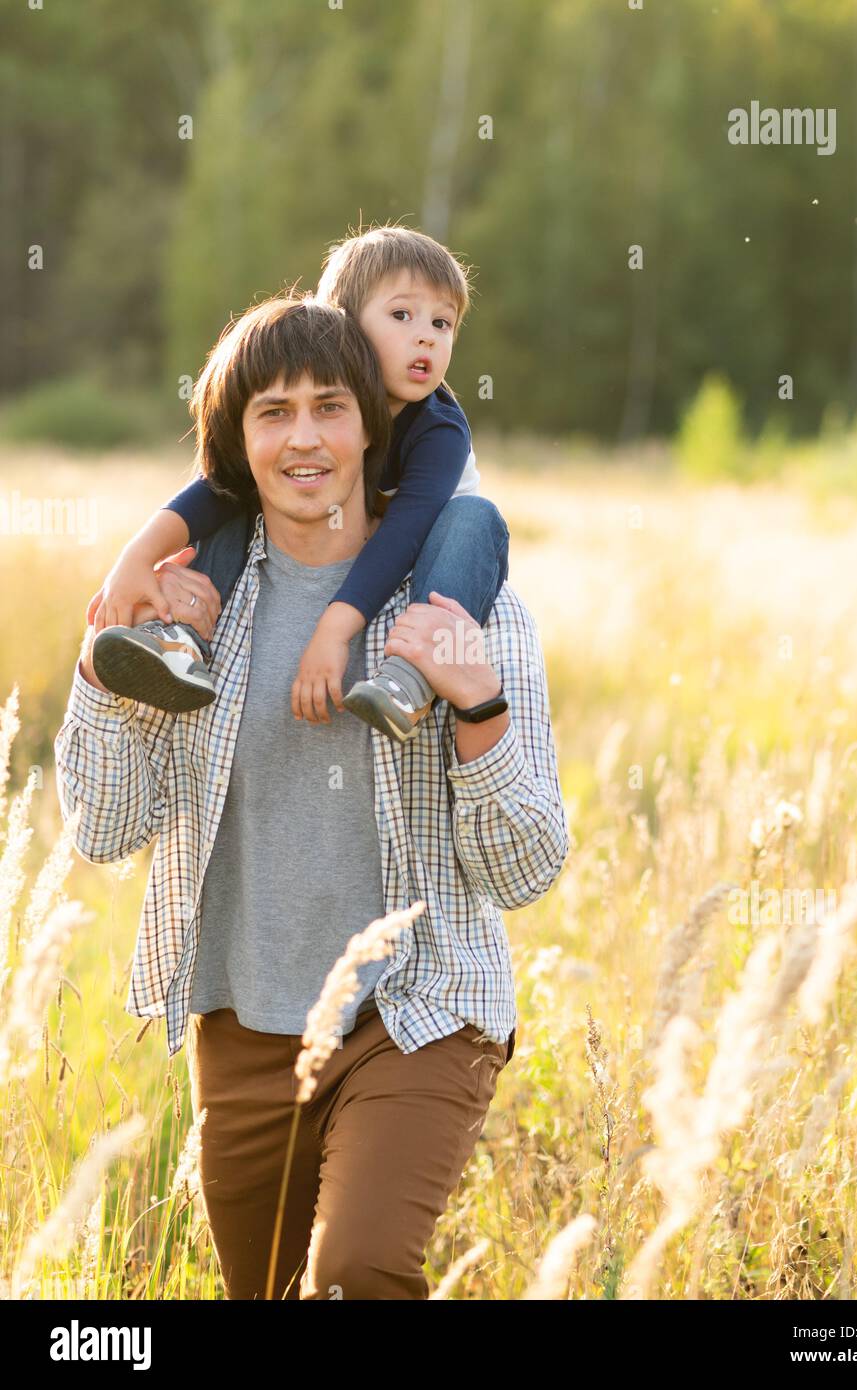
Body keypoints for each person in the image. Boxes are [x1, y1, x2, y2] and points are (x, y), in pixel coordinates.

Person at [54, 294, 570, 1300]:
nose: (303, 438)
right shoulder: (198, 605)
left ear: (372, 424)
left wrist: (478, 707)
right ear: (233, 442)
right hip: (242, 1030)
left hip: (417, 1016)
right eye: (273, 412)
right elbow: (106, 827)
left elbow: (527, 867)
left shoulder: (465, 605)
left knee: (355, 1273)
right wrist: (103, 668)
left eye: (329, 406)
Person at [84, 223, 504, 746]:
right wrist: (134, 560)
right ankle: (183, 640)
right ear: (342, 327)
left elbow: (406, 533)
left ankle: (410, 677)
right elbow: (216, 488)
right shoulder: (299, 431)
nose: (426, 336)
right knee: (241, 489)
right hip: (343, 534)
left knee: (475, 518)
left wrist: (332, 634)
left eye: (443, 324)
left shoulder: (439, 430)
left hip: (431, 553)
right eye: (402, 315)